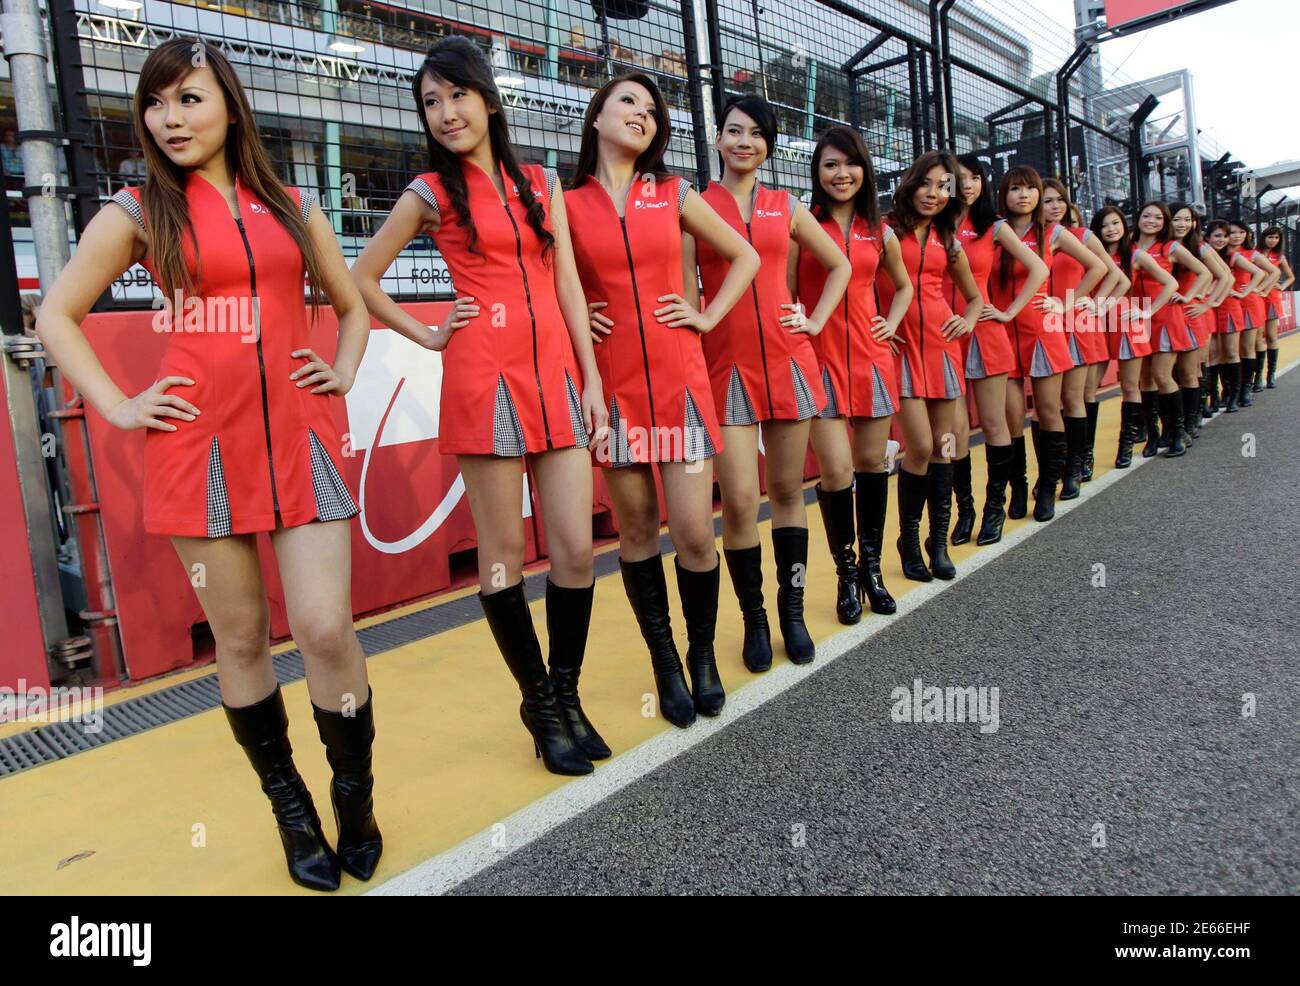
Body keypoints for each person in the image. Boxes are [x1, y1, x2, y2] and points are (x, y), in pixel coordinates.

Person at [35, 39, 379, 892]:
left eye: (188, 99)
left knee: (327, 628)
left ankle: (354, 794)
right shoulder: (138, 209)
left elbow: (350, 306)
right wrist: (118, 404)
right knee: (242, 638)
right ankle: (291, 808)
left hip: (301, 444)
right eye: (156, 103)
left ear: (227, 103)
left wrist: (341, 369)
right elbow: (56, 315)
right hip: (199, 453)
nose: (170, 118)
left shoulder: (294, 205)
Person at [352, 37, 607, 773]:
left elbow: (566, 287)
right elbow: (363, 278)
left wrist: (590, 379)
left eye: (456, 95)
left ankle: (564, 694)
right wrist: (429, 334)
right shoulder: (429, 194)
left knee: (574, 552)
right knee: (500, 559)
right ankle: (539, 704)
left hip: (556, 378)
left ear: (488, 99)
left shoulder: (540, 182)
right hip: (482, 379)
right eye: (430, 102)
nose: (445, 112)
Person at [565, 73, 759, 723]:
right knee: (639, 532)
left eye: (652, 110)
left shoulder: (672, 193)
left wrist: (706, 318)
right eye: (628, 101)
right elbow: (544, 287)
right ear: (596, 117)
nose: (641, 114)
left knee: (697, 535)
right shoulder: (564, 207)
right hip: (615, 396)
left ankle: (701, 656)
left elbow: (744, 257)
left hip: (681, 387)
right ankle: (666, 664)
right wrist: (574, 323)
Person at [689, 94, 851, 669]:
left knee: (786, 493)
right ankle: (753, 618)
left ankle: (792, 610)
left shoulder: (787, 204)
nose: (744, 143)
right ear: (717, 138)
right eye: (734, 131)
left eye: (756, 134)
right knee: (736, 501)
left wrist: (812, 319)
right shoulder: (695, 203)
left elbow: (840, 265)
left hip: (789, 362)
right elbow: (684, 286)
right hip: (723, 366)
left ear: (769, 145)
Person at [795, 125, 911, 621]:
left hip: (872, 362)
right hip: (817, 361)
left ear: (865, 170)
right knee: (837, 472)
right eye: (830, 165)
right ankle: (846, 575)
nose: (842, 174)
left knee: (872, 467)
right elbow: (784, 292)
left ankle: (872, 570)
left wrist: (891, 321)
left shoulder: (880, 231)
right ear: (818, 174)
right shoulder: (801, 225)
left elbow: (902, 288)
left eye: (850, 164)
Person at [876, 150, 982, 580]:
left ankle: (936, 543)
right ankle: (908, 538)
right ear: (910, 183)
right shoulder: (882, 231)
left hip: (942, 350)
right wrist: (881, 323)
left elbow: (974, 299)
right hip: (900, 352)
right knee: (918, 446)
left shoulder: (948, 240)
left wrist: (967, 320)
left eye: (944, 187)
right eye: (927, 183)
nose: (934, 193)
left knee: (947, 446)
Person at [944, 154, 1050, 545]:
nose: (967, 185)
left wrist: (1008, 312)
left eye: (974, 177)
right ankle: (964, 509)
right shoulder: (934, 224)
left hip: (985, 332)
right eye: (959, 178)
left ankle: (994, 509)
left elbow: (1039, 270)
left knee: (994, 423)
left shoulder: (993, 226)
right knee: (952, 431)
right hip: (945, 334)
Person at [1131, 201, 1211, 457]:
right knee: (1145, 379)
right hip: (1136, 318)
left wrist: (1188, 297)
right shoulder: (1128, 247)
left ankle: (1179, 432)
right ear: (1138, 218)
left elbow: (1204, 273)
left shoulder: (1171, 247)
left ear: (1164, 222)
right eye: (1146, 216)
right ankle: (1157, 434)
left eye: (1157, 217)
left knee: (1163, 375)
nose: (1151, 221)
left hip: (1166, 317)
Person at [1257, 226, 1295, 388]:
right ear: (1263, 237)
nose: (1273, 240)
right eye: (1270, 237)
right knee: (1258, 338)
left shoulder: (1279, 256)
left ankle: (1270, 374)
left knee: (1271, 336)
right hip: (1256, 297)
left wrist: (1282, 286)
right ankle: (1257, 376)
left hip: (1272, 299)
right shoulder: (1254, 253)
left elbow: (1291, 277)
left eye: (1276, 238)